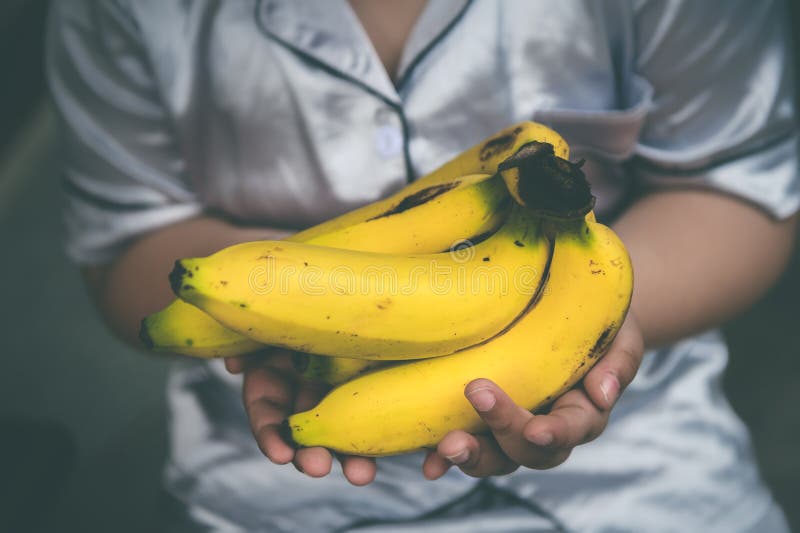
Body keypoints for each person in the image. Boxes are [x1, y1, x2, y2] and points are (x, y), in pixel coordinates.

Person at [46, 0, 797, 531]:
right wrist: (294, 313)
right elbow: (130, 244)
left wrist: (615, 320)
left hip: (650, 456)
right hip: (266, 483)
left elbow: (739, 188)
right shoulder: (125, 12)